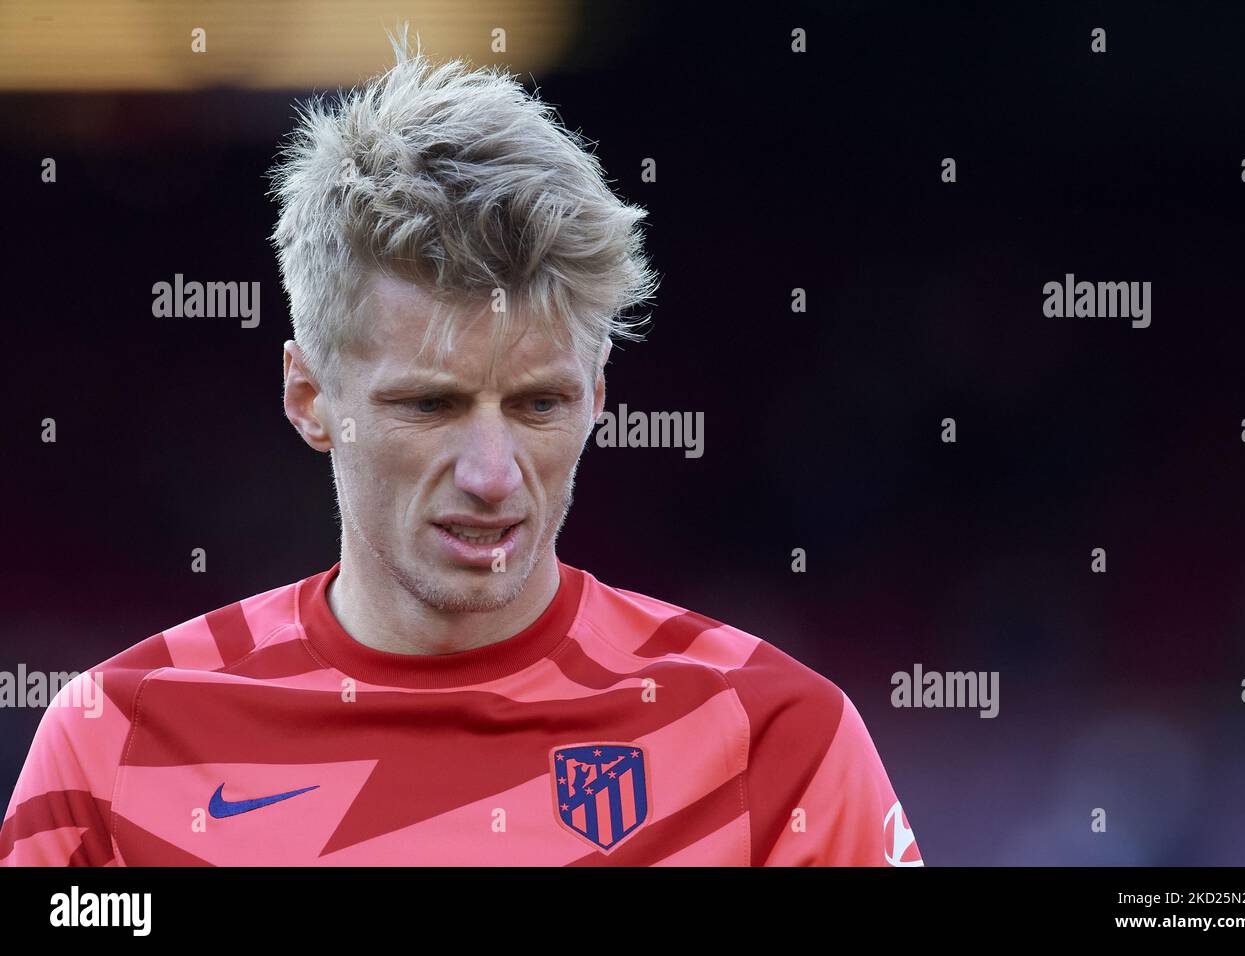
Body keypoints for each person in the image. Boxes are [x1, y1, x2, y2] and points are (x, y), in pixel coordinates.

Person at [0, 28, 921, 867]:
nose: (491, 477)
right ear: (308, 396)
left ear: (599, 397)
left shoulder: (777, 744)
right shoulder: (112, 748)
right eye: (431, 405)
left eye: (540, 404)